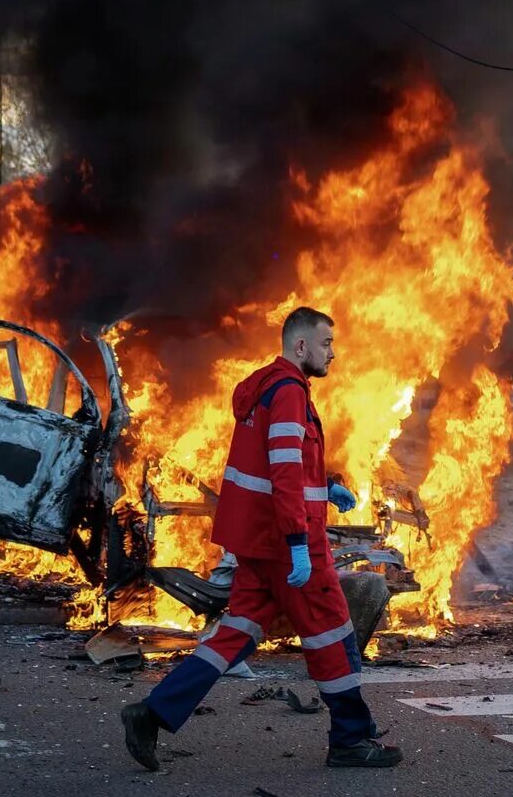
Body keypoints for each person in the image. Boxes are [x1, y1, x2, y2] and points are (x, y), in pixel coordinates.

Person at [121, 307, 399, 771]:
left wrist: (324, 485)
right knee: (333, 632)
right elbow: (284, 472)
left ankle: (152, 713)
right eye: (327, 343)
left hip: (257, 544)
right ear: (301, 346)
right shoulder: (289, 392)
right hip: (287, 545)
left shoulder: (266, 386)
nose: (333, 352)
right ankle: (351, 738)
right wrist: (297, 543)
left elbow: (281, 464)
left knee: (236, 633)